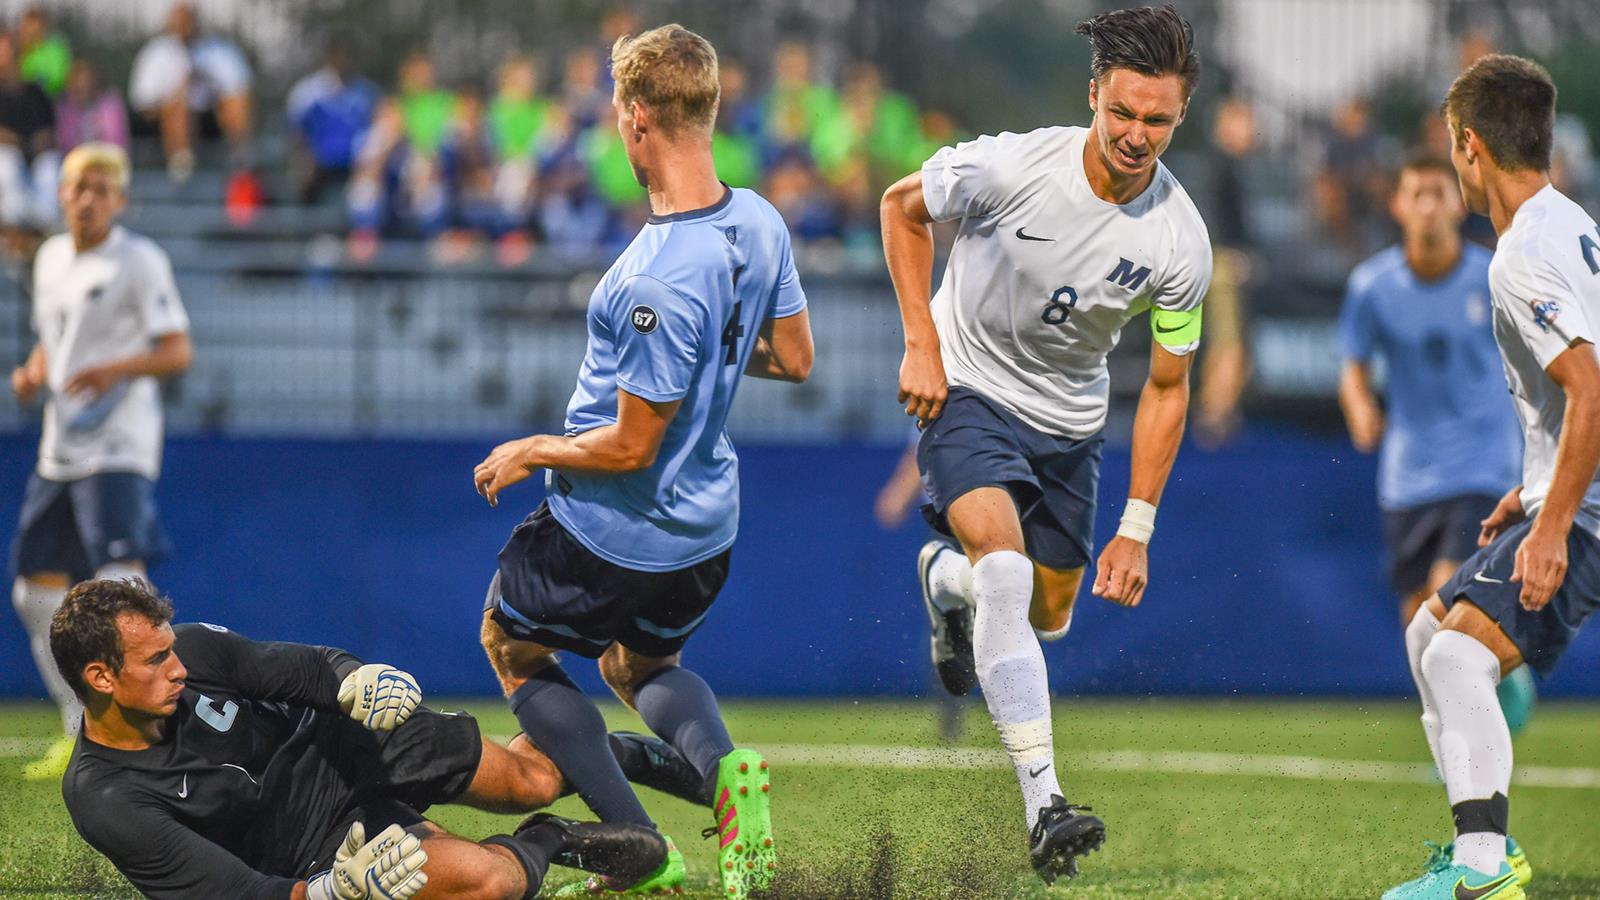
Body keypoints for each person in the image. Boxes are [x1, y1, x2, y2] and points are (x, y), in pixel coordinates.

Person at [472, 24, 813, 899]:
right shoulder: (759, 220)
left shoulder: (653, 276)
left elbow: (629, 445)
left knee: (510, 644)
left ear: (636, 120)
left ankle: (640, 847)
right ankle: (726, 777)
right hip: (706, 527)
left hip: (610, 525)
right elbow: (794, 358)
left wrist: (532, 448)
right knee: (637, 667)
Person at [879, 4, 1210, 884]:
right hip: (968, 391)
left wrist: (1137, 526)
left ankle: (943, 582)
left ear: (1182, 113)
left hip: (1070, 425)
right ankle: (1046, 804)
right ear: (1093, 93)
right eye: (1123, 111)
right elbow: (901, 207)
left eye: (1157, 120)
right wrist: (920, 342)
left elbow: (1168, 386)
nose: (1136, 135)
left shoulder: (1182, 241)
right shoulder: (1013, 165)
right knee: (1006, 571)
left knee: (1048, 615)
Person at [52, 577, 678, 899]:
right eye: (155, 660)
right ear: (101, 677)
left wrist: (357, 680)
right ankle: (553, 837)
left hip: (340, 746)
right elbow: (233, 895)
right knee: (486, 884)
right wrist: (331, 892)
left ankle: (619, 755)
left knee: (530, 780)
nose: (177, 667)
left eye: (170, 650)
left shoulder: (193, 649)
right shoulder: (106, 798)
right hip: (311, 850)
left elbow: (306, 669)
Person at [1384, 54, 1600, 900]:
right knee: (1426, 636)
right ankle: (1481, 846)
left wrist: (1553, 523)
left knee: (1454, 659)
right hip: (1570, 490)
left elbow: (1589, 388)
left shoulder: (1519, 259)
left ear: (1469, 146)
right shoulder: (1571, 223)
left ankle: (1482, 869)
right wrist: (1536, 483)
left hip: (1587, 511)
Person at [9, 143, 192, 781]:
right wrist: (35, 370)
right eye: (77, 186)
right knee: (34, 590)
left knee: (123, 583)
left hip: (118, 446)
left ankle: (165, 722)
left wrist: (116, 369)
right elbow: (54, 337)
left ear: (120, 199)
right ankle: (78, 725)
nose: (86, 198)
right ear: (60, 193)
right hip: (59, 448)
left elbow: (177, 350)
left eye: (100, 188)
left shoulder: (140, 261)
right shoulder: (51, 258)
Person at [1338, 156, 1538, 736]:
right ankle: (1484, 705)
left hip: (1483, 467)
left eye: (1437, 193)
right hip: (1408, 476)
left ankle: (1475, 742)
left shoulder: (1493, 277)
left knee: (1444, 600)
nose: (1427, 204)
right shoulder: (1372, 286)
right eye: (1416, 193)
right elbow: (1352, 364)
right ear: (1398, 206)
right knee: (1418, 624)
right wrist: (1360, 407)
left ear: (1456, 204)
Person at [127, 2, 254, 184]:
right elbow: (143, 104)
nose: (184, 27)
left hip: (210, 120)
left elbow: (239, 91)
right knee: (179, 107)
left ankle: (241, 160)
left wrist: (207, 83)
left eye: (188, 21)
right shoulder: (155, 53)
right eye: (179, 22)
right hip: (164, 121)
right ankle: (182, 166)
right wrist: (179, 92)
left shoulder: (221, 51)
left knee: (237, 101)